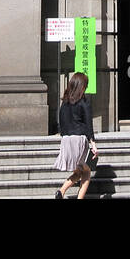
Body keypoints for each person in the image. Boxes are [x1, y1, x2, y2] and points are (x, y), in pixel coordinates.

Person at [54, 71, 98, 199]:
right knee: (87, 171)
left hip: (66, 140)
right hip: (79, 140)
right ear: (82, 86)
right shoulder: (84, 102)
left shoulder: (65, 103)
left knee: (78, 171)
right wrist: (93, 145)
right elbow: (88, 124)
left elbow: (61, 122)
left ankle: (61, 192)